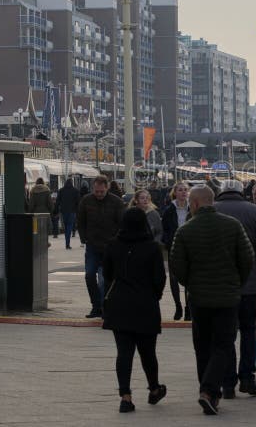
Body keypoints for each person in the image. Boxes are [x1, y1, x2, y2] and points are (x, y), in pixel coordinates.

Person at [170, 186, 255, 416]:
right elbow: (247, 258)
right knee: (223, 345)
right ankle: (209, 393)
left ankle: (208, 392)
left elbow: (176, 266)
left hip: (199, 298)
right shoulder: (233, 225)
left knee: (202, 346)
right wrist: (236, 281)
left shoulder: (185, 230)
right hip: (228, 297)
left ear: (195, 204)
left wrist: (192, 283)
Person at [214, 180, 256, 398]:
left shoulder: (210, 210)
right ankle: (248, 379)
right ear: (243, 192)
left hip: (220, 286)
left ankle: (227, 383)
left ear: (221, 192)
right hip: (248, 284)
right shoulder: (254, 211)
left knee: (225, 335)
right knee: (249, 331)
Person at [102, 208, 167, 413]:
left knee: (124, 353)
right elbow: (159, 279)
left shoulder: (113, 245)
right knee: (148, 353)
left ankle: (126, 396)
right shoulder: (152, 247)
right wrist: (153, 296)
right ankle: (154, 388)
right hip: (145, 304)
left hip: (119, 304)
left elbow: (107, 274)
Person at [77, 175, 125, 318]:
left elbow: (122, 223)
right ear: (93, 188)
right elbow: (80, 220)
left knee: (104, 279)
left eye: (101, 192)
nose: (98, 194)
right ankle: (96, 306)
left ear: (107, 188)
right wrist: (84, 238)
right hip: (92, 246)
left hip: (109, 247)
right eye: (96, 191)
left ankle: (105, 307)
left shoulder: (116, 202)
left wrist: (117, 242)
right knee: (89, 276)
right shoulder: (86, 201)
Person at [162, 182, 191, 321]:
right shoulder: (169, 210)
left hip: (190, 248)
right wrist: (168, 242)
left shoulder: (192, 209)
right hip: (174, 247)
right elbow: (165, 229)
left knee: (189, 279)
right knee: (173, 278)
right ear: (175, 192)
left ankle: (188, 307)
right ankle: (178, 305)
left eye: (185, 190)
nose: (183, 192)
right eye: (180, 190)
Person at [56, 179, 80, 250]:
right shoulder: (75, 191)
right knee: (69, 226)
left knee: (66, 226)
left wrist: (55, 211)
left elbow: (58, 201)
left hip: (64, 211)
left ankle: (67, 242)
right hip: (72, 211)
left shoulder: (61, 190)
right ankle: (67, 243)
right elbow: (78, 202)